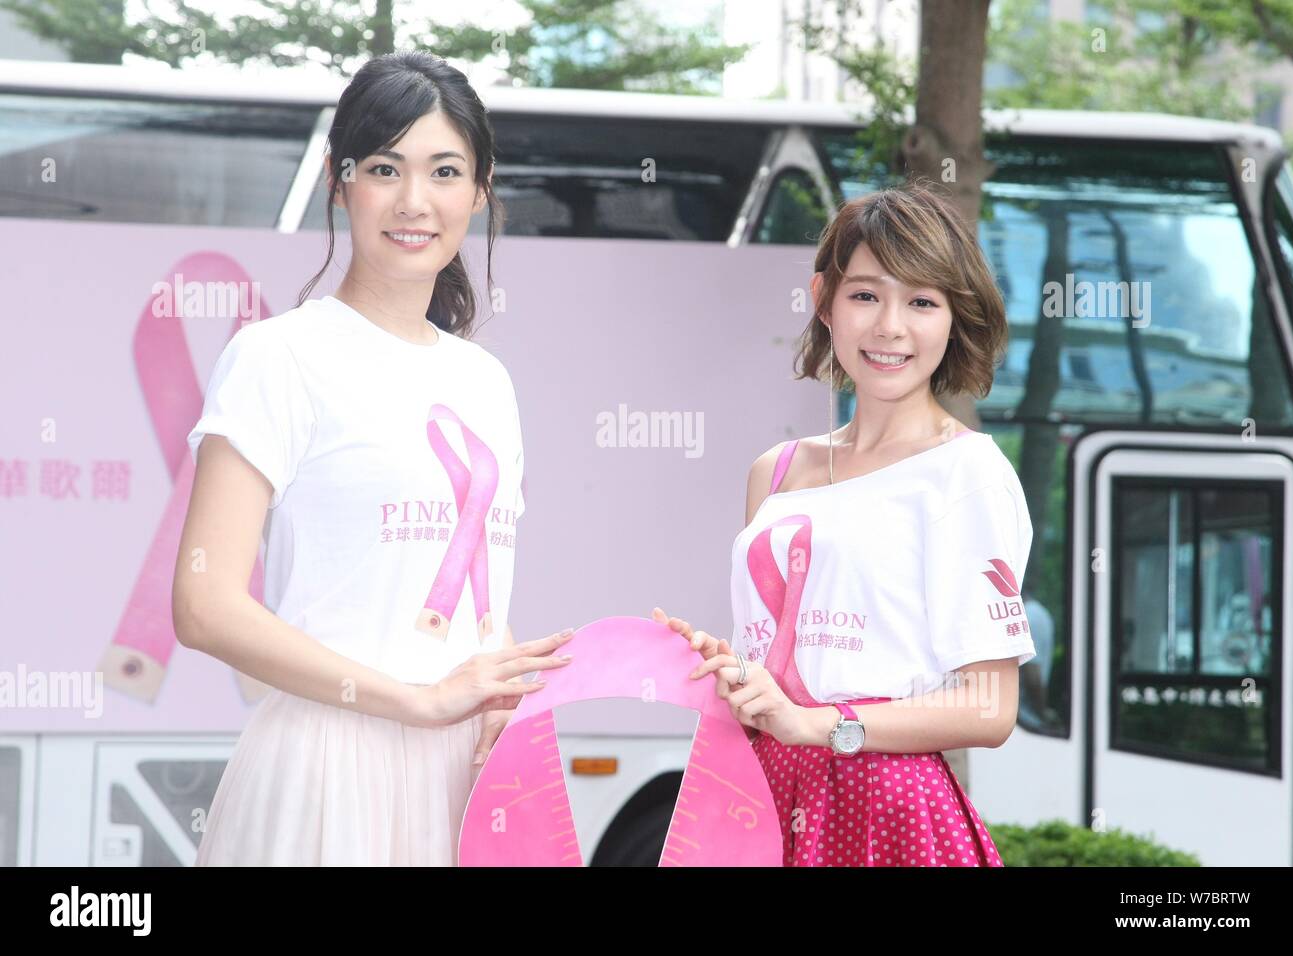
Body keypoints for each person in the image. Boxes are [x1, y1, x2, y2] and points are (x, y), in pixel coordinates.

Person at [172, 51, 573, 866]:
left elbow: (476, 608)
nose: (415, 201)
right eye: (386, 167)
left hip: (467, 781)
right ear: (339, 179)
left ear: (481, 189)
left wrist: (502, 699)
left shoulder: (485, 381)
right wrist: (415, 700)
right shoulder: (279, 358)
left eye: (445, 171)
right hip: (331, 767)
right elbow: (202, 603)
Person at [655, 183, 1036, 866]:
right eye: (865, 295)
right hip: (761, 793)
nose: (890, 326)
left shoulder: (965, 473)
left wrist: (821, 724)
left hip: (889, 807)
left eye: (921, 301)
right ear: (824, 300)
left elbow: (989, 707)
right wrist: (735, 674)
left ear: (955, 318)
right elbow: (784, 666)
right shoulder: (774, 472)